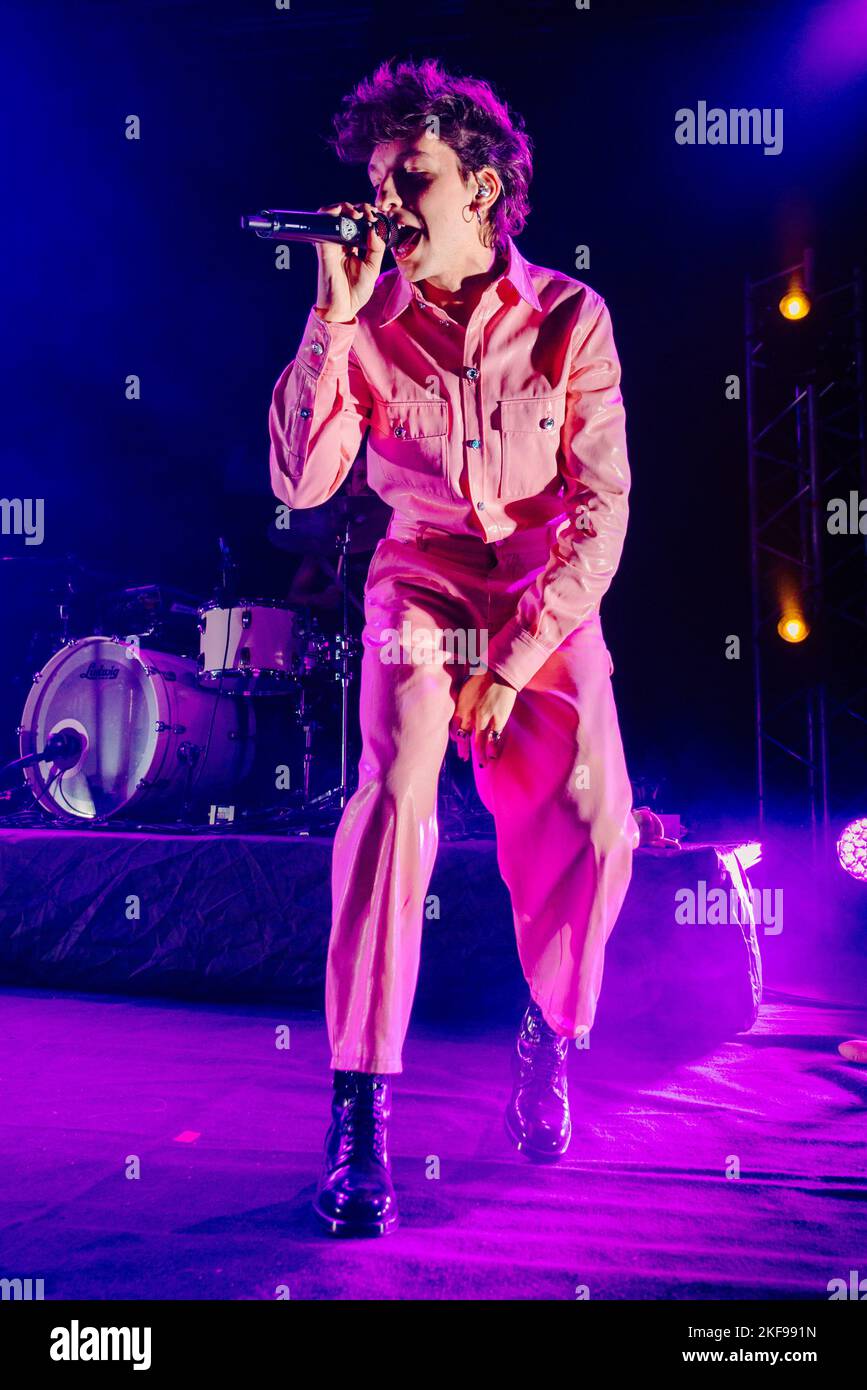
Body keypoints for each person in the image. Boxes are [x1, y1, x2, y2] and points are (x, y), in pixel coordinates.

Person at [268, 58, 639, 1238]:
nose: (382, 206)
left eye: (408, 178)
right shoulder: (364, 319)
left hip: (541, 592)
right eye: (374, 182)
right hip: (420, 580)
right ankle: (361, 1111)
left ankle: (549, 1024)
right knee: (391, 793)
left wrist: (518, 657)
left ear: (480, 188)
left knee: (597, 821)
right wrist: (331, 316)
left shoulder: (573, 319)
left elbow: (601, 512)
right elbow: (301, 478)